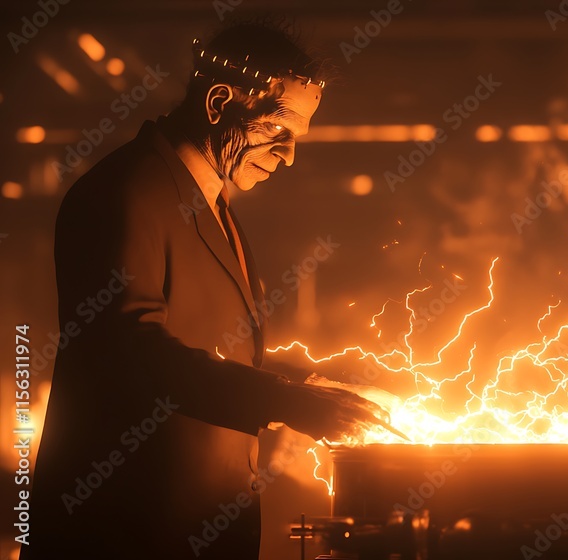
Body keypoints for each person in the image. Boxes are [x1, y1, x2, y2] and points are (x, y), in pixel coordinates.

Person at [28, 23, 391, 559]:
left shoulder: (207, 201)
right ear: (220, 101)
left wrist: (313, 386)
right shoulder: (128, 192)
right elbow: (132, 350)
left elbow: (209, 346)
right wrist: (289, 401)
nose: (289, 156)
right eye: (279, 129)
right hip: (129, 533)